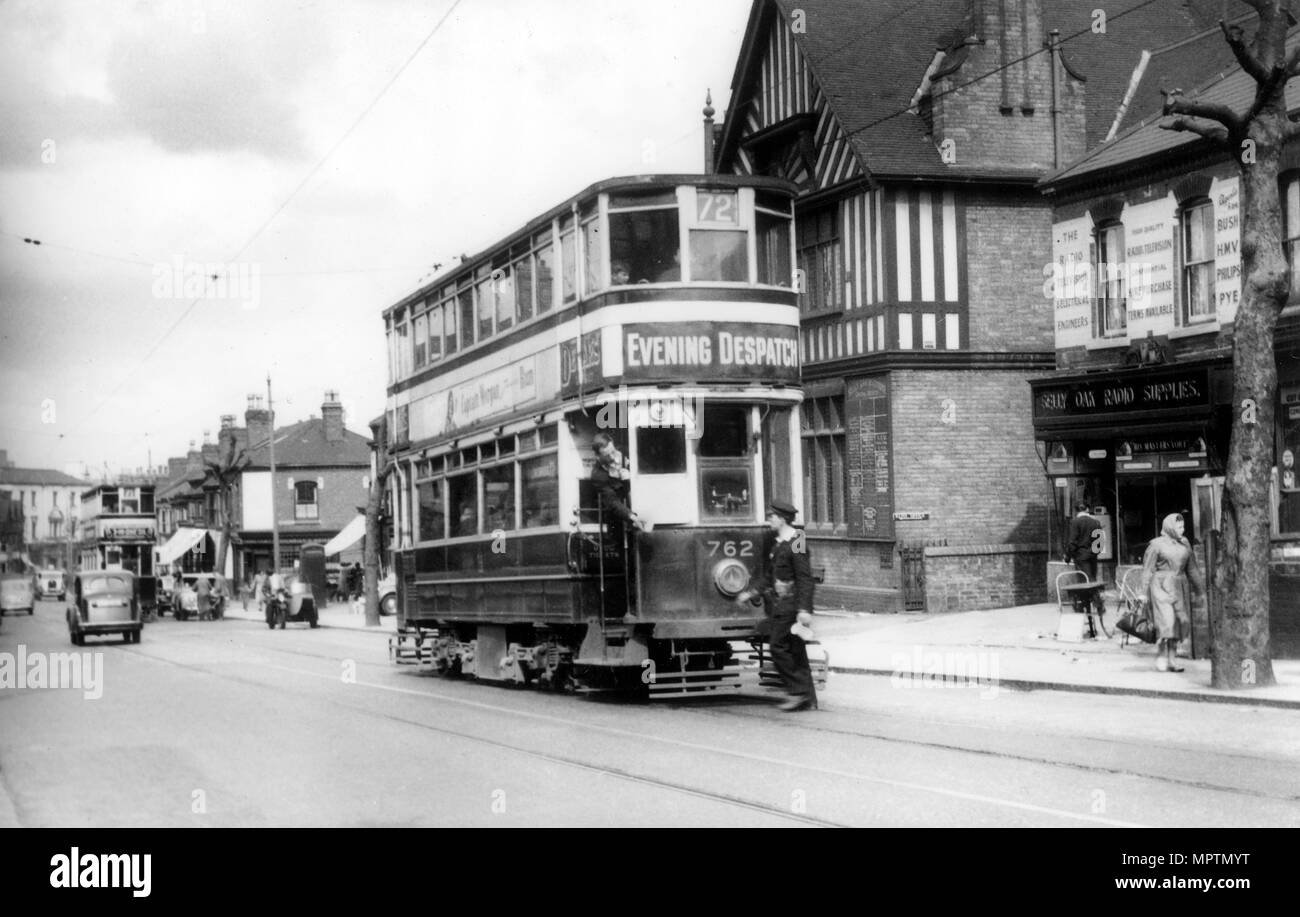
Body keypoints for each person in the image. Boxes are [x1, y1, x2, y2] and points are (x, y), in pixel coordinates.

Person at [738, 499, 817, 712]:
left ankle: (798, 692)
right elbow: (770, 577)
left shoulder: (797, 539)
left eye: (772, 516)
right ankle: (805, 695)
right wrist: (751, 593)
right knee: (794, 649)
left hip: (790, 606)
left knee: (777, 647)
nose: (769, 520)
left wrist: (804, 609)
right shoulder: (779, 542)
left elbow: (804, 578)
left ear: (782, 519)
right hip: (779, 605)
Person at [1138, 513, 1204, 673]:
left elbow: (1192, 569)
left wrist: (1200, 590)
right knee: (1166, 622)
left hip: (1179, 586)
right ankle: (1161, 655)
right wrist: (1142, 592)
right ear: (1169, 527)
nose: (1182, 530)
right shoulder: (1156, 544)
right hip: (1160, 586)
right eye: (1179, 527)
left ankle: (1172, 660)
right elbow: (1147, 569)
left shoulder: (1185, 544)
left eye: (1183, 527)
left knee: (1177, 623)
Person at [590, 431, 646, 617]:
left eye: (613, 452)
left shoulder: (627, 455)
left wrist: (630, 476)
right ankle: (633, 605)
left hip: (640, 512)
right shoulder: (597, 475)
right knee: (628, 561)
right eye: (608, 455)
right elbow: (612, 502)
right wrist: (631, 516)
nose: (613, 457)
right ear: (598, 456)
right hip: (619, 522)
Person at [1065, 501, 1104, 616]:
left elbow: (1072, 542)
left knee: (1084, 581)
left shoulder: (1075, 522)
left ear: (1077, 510)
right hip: (1093, 556)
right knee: (1092, 579)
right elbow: (1100, 542)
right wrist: (1093, 553)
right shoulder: (1095, 522)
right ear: (1087, 509)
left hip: (1080, 556)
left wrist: (1068, 556)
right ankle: (1090, 604)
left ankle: (1093, 604)